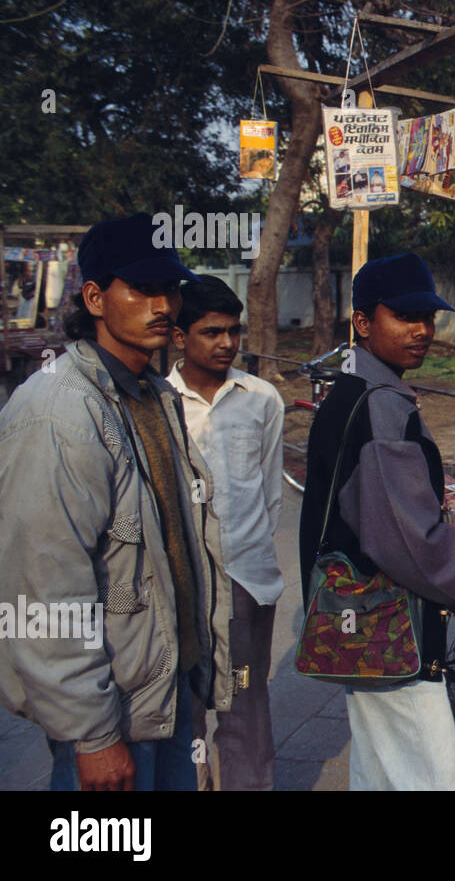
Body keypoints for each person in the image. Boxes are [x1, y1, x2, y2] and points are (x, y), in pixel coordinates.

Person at [0, 213, 232, 791]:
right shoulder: (58, 412)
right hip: (110, 709)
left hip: (167, 686)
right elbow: (44, 588)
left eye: (170, 289)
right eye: (143, 289)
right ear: (96, 298)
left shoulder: (153, 395)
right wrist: (91, 734)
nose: (162, 305)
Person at [298, 254, 455, 791]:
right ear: (364, 324)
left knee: (380, 770)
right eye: (405, 317)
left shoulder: (359, 391)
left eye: (429, 318)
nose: (422, 331)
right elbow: (411, 544)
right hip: (392, 630)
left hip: (364, 624)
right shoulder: (377, 405)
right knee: (432, 776)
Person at [167, 276, 284, 791]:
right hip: (179, 586)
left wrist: (248, 557)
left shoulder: (262, 399)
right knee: (182, 709)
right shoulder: (156, 404)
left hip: (245, 582)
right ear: (178, 337)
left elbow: (270, 494)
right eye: (212, 331)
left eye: (233, 331)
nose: (227, 344)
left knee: (244, 705)